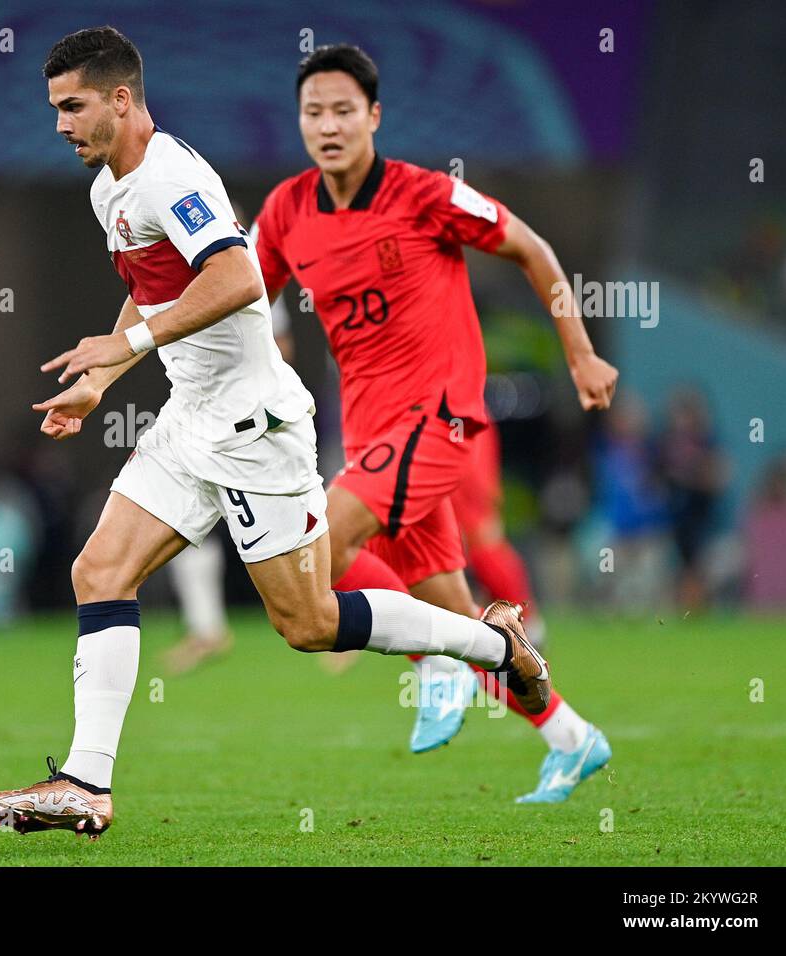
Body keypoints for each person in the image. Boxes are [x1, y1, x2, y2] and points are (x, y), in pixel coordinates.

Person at [0, 27, 549, 838]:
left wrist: (130, 347)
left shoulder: (172, 175)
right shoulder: (110, 186)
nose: (61, 124)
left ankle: (494, 645)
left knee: (307, 623)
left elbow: (238, 275)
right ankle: (84, 783)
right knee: (99, 571)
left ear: (121, 99)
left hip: (252, 424)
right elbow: (152, 284)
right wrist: (103, 377)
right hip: (189, 418)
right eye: (55, 109)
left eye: (72, 107)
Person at [251, 45, 613, 801]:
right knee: (454, 612)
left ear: (374, 117)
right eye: (313, 112)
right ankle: (570, 736)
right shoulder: (287, 211)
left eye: (343, 110)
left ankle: (442, 662)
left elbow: (532, 248)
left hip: (437, 419)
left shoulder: (424, 194)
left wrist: (579, 354)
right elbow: (245, 297)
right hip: (367, 431)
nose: (328, 125)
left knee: (318, 550)